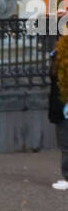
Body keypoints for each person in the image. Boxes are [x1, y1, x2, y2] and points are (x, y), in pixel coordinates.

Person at [48, 23, 68, 190]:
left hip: (63, 105)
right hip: (60, 103)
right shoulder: (59, 53)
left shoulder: (61, 53)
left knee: (66, 143)